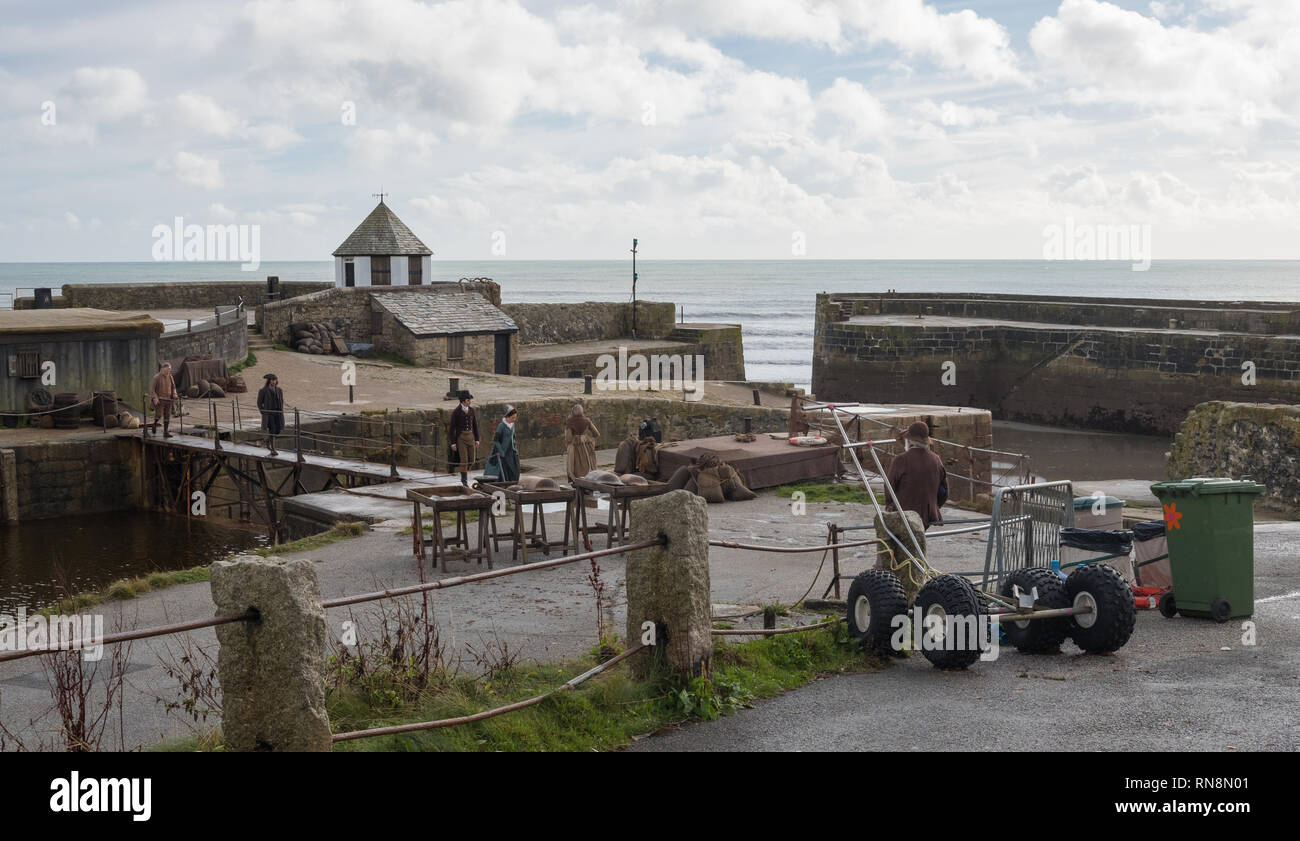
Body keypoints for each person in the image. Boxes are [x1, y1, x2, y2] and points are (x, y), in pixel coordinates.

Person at [886, 421, 947, 529]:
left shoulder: (900, 459)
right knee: (918, 542)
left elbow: (889, 486)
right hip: (928, 515)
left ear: (909, 440)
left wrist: (890, 506)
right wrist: (934, 506)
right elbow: (943, 491)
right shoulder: (936, 459)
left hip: (904, 513)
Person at [449, 389, 480, 486]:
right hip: (461, 438)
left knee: (472, 459)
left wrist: (477, 439)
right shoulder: (456, 412)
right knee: (464, 460)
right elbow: (452, 428)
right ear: (463, 401)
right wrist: (453, 443)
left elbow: (475, 425)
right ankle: (464, 480)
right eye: (468, 400)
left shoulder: (472, 410)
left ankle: (464, 473)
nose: (469, 401)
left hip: (470, 436)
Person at [483, 406, 521, 483]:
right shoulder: (501, 426)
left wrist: (515, 448)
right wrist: (501, 452)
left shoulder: (512, 425)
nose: (514, 419)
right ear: (507, 417)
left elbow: (513, 438)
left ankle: (513, 482)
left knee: (514, 469)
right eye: (513, 417)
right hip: (503, 451)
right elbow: (496, 440)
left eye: (515, 417)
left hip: (511, 451)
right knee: (502, 469)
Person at [564, 404, 599, 480]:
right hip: (587, 446)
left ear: (572, 412)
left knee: (575, 466)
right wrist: (588, 438)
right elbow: (596, 433)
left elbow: (569, 438)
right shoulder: (587, 420)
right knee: (589, 464)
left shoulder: (570, 422)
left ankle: (577, 481)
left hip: (575, 447)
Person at [149, 361, 179, 438]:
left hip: (168, 399)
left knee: (167, 415)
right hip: (160, 399)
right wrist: (155, 397)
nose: (169, 371)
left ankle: (165, 432)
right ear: (163, 369)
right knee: (159, 414)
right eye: (167, 369)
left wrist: (174, 393)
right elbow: (152, 389)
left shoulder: (170, 376)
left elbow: (173, 387)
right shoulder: (156, 377)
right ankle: (154, 424)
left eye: (170, 369)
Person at [257, 373, 285, 456]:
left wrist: (281, 411)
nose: (274, 381)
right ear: (269, 381)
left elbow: (281, 401)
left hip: (278, 413)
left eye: (275, 380)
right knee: (272, 431)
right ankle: (273, 449)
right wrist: (263, 412)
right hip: (269, 414)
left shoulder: (279, 390)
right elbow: (259, 403)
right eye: (273, 380)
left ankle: (267, 441)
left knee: (278, 430)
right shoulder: (263, 391)